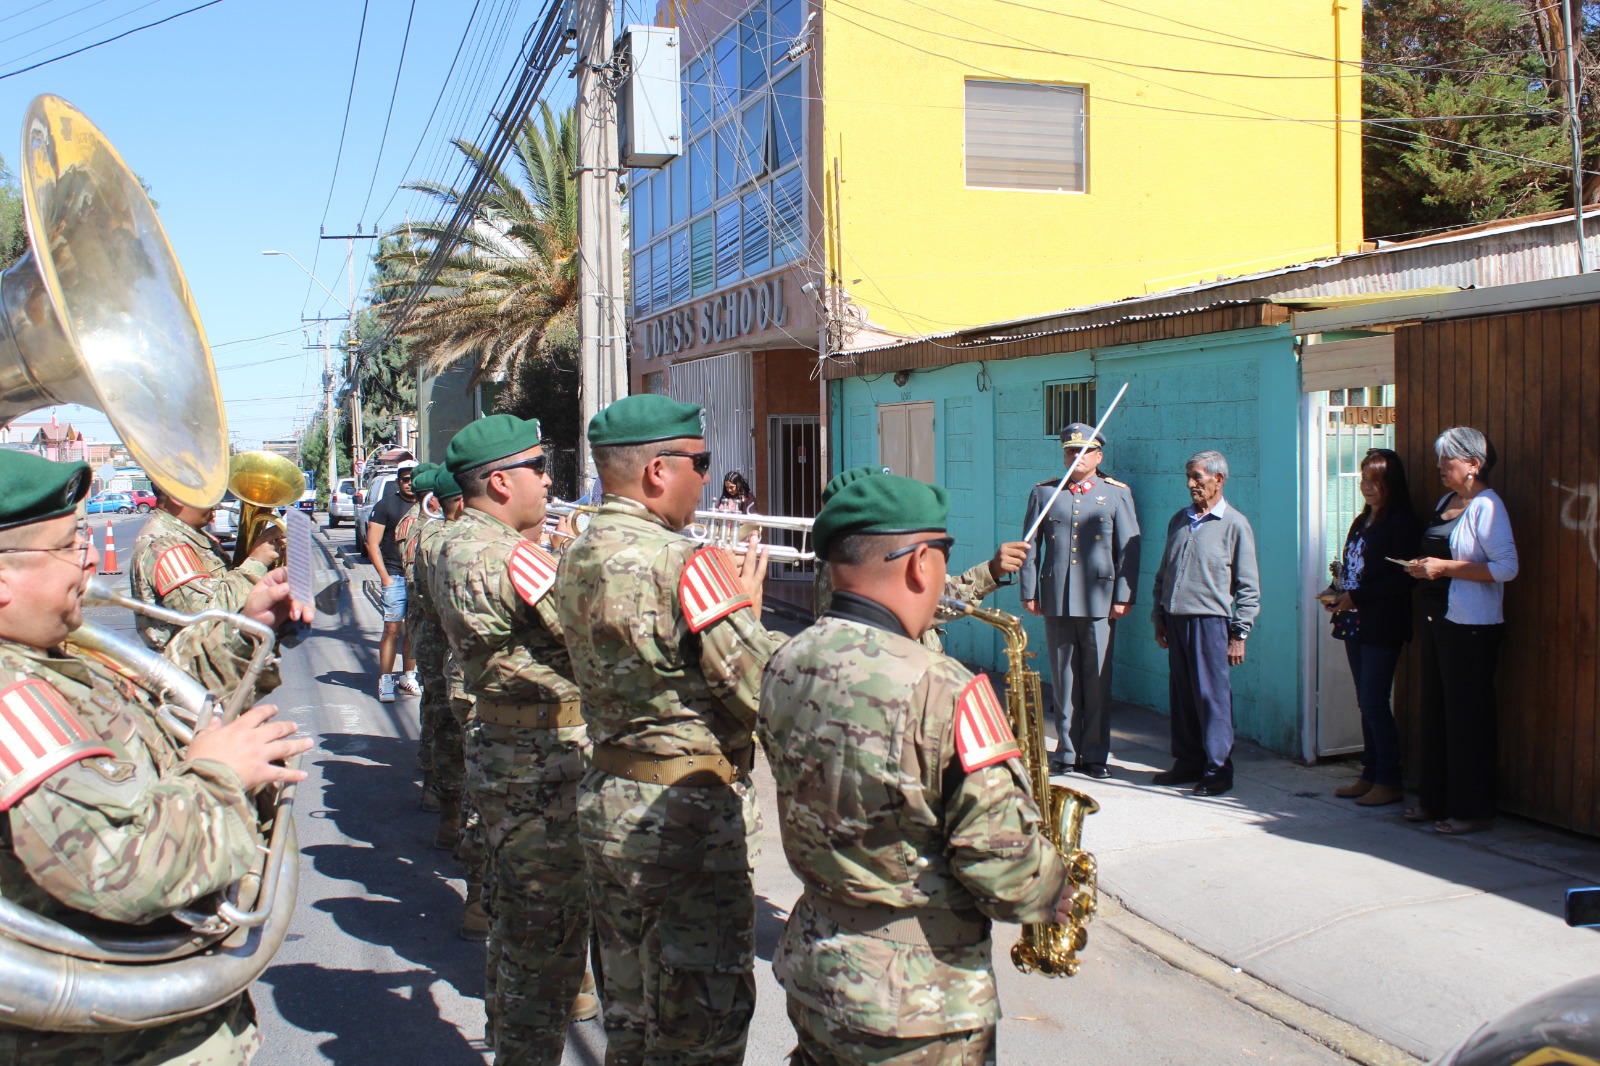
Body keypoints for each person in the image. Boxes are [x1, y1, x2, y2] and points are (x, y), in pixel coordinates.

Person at [0, 449, 313, 1063]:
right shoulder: (12, 699)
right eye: (68, 544)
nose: (90, 558)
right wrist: (221, 774)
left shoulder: (55, 652)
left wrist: (240, 624)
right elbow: (122, 869)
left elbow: (146, 696)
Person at [758, 473, 1073, 1063]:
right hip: (917, 1007)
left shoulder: (787, 661)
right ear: (922, 564)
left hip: (815, 970)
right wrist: (1057, 882)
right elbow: (1009, 877)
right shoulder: (944, 688)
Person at [556, 394, 783, 1065]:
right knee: (701, 1030)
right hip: (684, 818)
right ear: (659, 470)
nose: (707, 478)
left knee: (629, 1020)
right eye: (700, 462)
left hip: (609, 800)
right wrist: (751, 613)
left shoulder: (576, 552)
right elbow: (762, 692)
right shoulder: (686, 564)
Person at [435, 415, 598, 1059]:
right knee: (546, 947)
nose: (548, 480)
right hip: (540, 766)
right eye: (538, 467)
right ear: (501, 481)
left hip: (505, 753)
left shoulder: (455, 542)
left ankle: (509, 1042)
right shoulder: (511, 555)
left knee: (517, 930)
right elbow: (585, 626)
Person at [1403, 427, 1518, 834]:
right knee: (1436, 712)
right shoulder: (1446, 501)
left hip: (1471, 629)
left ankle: (1471, 809)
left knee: (1467, 718)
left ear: (1473, 464)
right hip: (1440, 620)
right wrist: (1423, 566)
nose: (1438, 467)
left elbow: (1506, 568)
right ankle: (1434, 801)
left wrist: (1443, 568)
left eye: (1446, 460)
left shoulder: (1488, 507)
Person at [1020, 422, 1141, 780]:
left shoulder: (1116, 493)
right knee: (1064, 680)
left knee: (1098, 680)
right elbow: (1030, 546)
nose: (1076, 456)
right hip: (1057, 597)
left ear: (1098, 456)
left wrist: (1124, 595)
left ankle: (1095, 754)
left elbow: (1128, 549)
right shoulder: (1045, 493)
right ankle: (1067, 751)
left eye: (1084, 451)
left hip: (1100, 601)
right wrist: (1029, 591)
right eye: (1071, 451)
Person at [813, 465, 1028, 653]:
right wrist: (990, 571)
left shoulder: (852, 562)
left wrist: (991, 571)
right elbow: (937, 601)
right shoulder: (852, 570)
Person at [1150, 450, 1260, 797]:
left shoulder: (1234, 524)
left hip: (1211, 622)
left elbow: (1247, 585)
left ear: (1218, 480)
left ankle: (1218, 770)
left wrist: (1240, 632)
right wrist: (1159, 614)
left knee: (1211, 698)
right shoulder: (1179, 520)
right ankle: (1188, 762)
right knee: (1182, 696)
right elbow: (1164, 571)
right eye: (1189, 477)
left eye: (1198, 477)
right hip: (1176, 620)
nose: (1191, 484)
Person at [1322, 449, 1420, 808]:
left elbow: (1403, 579)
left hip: (1383, 624)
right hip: (1354, 621)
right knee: (1366, 702)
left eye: (1376, 480)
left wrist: (1358, 596)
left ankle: (1389, 779)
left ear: (1391, 484)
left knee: (1376, 702)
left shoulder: (1402, 523)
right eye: (1364, 479)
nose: (1368, 487)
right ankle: (1369, 772)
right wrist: (1337, 594)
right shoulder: (1363, 520)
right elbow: (1353, 570)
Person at [129, 483, 284, 695]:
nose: (216, 504)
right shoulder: (165, 545)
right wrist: (256, 561)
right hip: (189, 684)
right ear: (178, 496)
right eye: (206, 492)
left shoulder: (193, 535)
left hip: (210, 675)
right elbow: (207, 618)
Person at [403, 465, 467, 853]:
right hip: (443, 633)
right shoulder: (448, 536)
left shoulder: (426, 531)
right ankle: (450, 806)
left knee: (437, 710)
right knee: (449, 721)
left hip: (429, 628)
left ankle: (439, 794)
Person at [367, 458, 421, 703]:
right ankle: (386, 679)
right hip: (395, 575)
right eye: (404, 479)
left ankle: (408, 676)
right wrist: (385, 578)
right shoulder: (385, 506)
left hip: (418, 578)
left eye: (413, 478)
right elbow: (373, 544)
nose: (409, 483)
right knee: (392, 628)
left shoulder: (427, 506)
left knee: (414, 628)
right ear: (398, 481)